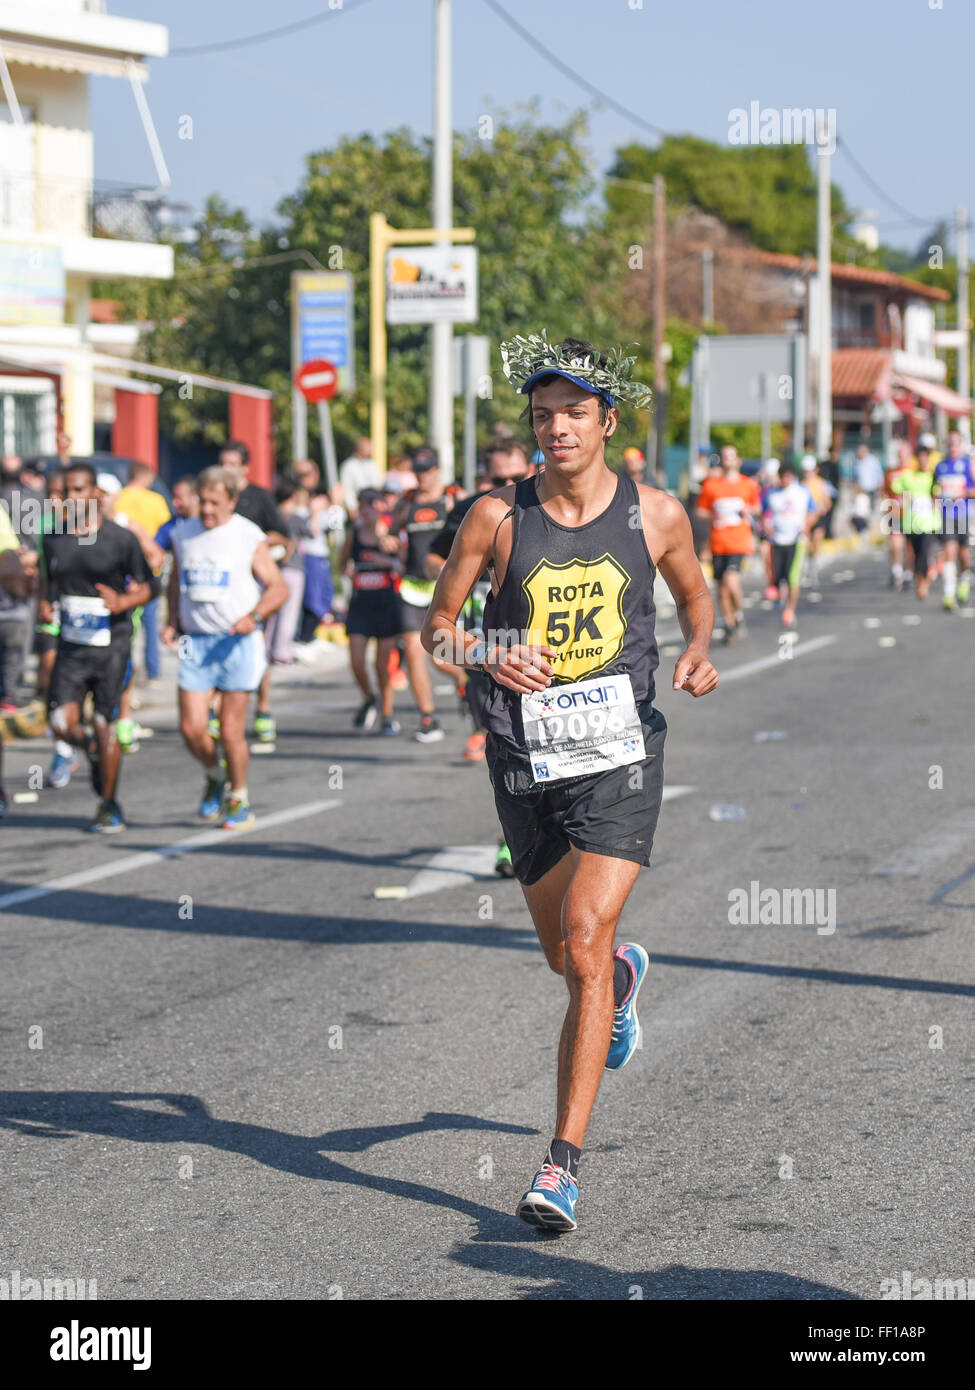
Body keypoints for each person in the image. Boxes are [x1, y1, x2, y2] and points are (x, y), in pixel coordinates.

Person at [422, 333, 718, 1232]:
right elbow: (436, 628)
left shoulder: (655, 514)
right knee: (567, 958)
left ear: (607, 423)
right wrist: (481, 649)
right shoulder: (495, 519)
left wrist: (699, 646)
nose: (556, 428)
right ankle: (622, 982)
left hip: (620, 755)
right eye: (543, 414)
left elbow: (695, 595)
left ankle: (559, 1167)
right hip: (525, 762)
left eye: (574, 414)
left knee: (584, 939)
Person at [163, 467, 287, 829]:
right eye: (201, 501)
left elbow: (278, 588)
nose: (206, 510)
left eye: (215, 503)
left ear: (232, 501)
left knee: (231, 730)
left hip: (237, 641)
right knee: (190, 727)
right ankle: (214, 774)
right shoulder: (182, 533)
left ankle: (239, 796)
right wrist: (172, 620)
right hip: (196, 643)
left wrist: (255, 616)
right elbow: (175, 581)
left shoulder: (248, 535)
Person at [40, 463, 157, 832]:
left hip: (112, 645)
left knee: (107, 722)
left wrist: (124, 602)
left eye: (77, 491)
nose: (70, 499)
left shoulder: (120, 539)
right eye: (65, 492)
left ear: (94, 494)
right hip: (72, 646)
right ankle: (89, 748)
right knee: (59, 723)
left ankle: (109, 805)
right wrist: (45, 602)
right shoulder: (53, 538)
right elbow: (49, 584)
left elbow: (149, 585)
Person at [218, 442, 287, 743]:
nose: (227, 469)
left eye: (233, 464)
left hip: (253, 584)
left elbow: (282, 535)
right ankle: (216, 711)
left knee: (256, 648)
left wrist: (254, 542)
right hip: (221, 585)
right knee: (218, 642)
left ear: (246, 467)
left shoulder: (259, 497)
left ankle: (263, 708)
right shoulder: (215, 496)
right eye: (223, 463)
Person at [390, 444, 453, 742]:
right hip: (412, 586)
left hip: (446, 586)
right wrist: (389, 542)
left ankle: (466, 686)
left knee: (442, 657)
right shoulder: (407, 503)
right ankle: (428, 717)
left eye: (427, 471)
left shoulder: (452, 498)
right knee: (414, 651)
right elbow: (388, 532)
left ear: (437, 470)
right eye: (417, 471)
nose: (422, 477)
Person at [339, 488, 403, 734]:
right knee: (356, 661)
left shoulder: (390, 534)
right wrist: (347, 569)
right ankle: (369, 698)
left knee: (382, 665)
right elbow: (342, 562)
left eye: (372, 506)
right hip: (360, 604)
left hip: (386, 604)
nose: (367, 511)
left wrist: (389, 562)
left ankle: (387, 713)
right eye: (363, 506)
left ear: (381, 508)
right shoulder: (354, 533)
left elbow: (405, 564)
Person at [695, 445, 761, 643]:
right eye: (724, 457)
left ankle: (738, 614)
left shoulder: (748, 484)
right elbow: (700, 510)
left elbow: (757, 507)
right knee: (721, 589)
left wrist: (749, 510)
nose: (728, 460)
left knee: (731, 581)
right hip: (718, 542)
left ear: (738, 460)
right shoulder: (711, 485)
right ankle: (730, 623)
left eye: (731, 457)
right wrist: (715, 513)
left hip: (738, 541)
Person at [115, 462, 171, 684]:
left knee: (126, 627)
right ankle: (153, 671)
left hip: (125, 571)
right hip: (149, 568)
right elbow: (164, 530)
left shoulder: (117, 497)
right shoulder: (155, 500)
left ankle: (127, 669)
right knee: (150, 622)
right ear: (146, 477)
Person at [762, 460, 816, 627]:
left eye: (788, 477)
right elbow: (763, 514)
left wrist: (806, 526)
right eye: (782, 477)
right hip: (777, 540)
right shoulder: (772, 494)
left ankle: (790, 610)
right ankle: (781, 597)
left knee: (793, 578)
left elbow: (813, 511)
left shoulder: (802, 492)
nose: (785, 480)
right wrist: (767, 527)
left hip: (796, 541)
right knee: (777, 576)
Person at [264, 476, 308, 665]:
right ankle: (281, 651)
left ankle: (266, 648)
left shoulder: (272, 514)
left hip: (271, 567)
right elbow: (308, 534)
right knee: (289, 613)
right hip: (293, 568)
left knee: (270, 611)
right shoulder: (297, 517)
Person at [932, 429, 974, 611]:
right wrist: (935, 501)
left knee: (964, 555)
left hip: (964, 514)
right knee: (949, 552)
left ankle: (965, 579)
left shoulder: (968, 465)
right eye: (950, 443)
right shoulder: (940, 466)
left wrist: (963, 494)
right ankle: (949, 594)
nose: (953, 447)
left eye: (956, 443)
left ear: (961, 445)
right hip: (947, 515)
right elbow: (934, 489)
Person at [890, 442, 938, 601]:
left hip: (929, 524)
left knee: (924, 553)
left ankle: (924, 583)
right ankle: (920, 580)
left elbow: (940, 494)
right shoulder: (908, 476)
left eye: (926, 459)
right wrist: (906, 494)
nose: (924, 462)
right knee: (916, 555)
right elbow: (894, 487)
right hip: (911, 524)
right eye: (921, 458)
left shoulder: (933, 477)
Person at [800, 454, 836, 588]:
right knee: (805, 545)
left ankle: (813, 572)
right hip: (805, 519)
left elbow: (828, 502)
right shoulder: (800, 485)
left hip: (819, 518)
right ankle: (805, 571)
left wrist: (821, 508)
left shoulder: (821, 483)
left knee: (816, 542)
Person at [339, 437, 380, 515]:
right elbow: (347, 487)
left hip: (373, 506)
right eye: (369, 447)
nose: (371, 450)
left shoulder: (372, 464)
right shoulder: (349, 465)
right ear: (360, 448)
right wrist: (351, 507)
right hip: (357, 507)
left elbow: (377, 484)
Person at [855, 443, 883, 512]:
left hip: (873, 488)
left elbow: (879, 473)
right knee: (863, 509)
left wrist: (879, 485)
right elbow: (855, 476)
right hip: (862, 490)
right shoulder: (857, 462)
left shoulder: (873, 460)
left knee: (873, 508)